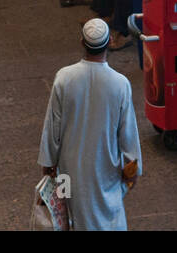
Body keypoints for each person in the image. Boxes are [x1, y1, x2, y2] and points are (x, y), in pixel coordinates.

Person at [38, 18, 142, 231]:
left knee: (72, 216)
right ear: (109, 41)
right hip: (106, 167)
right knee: (110, 215)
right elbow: (127, 132)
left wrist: (48, 163)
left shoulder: (64, 78)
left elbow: (53, 126)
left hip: (69, 168)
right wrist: (132, 167)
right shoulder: (120, 84)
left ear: (82, 43)